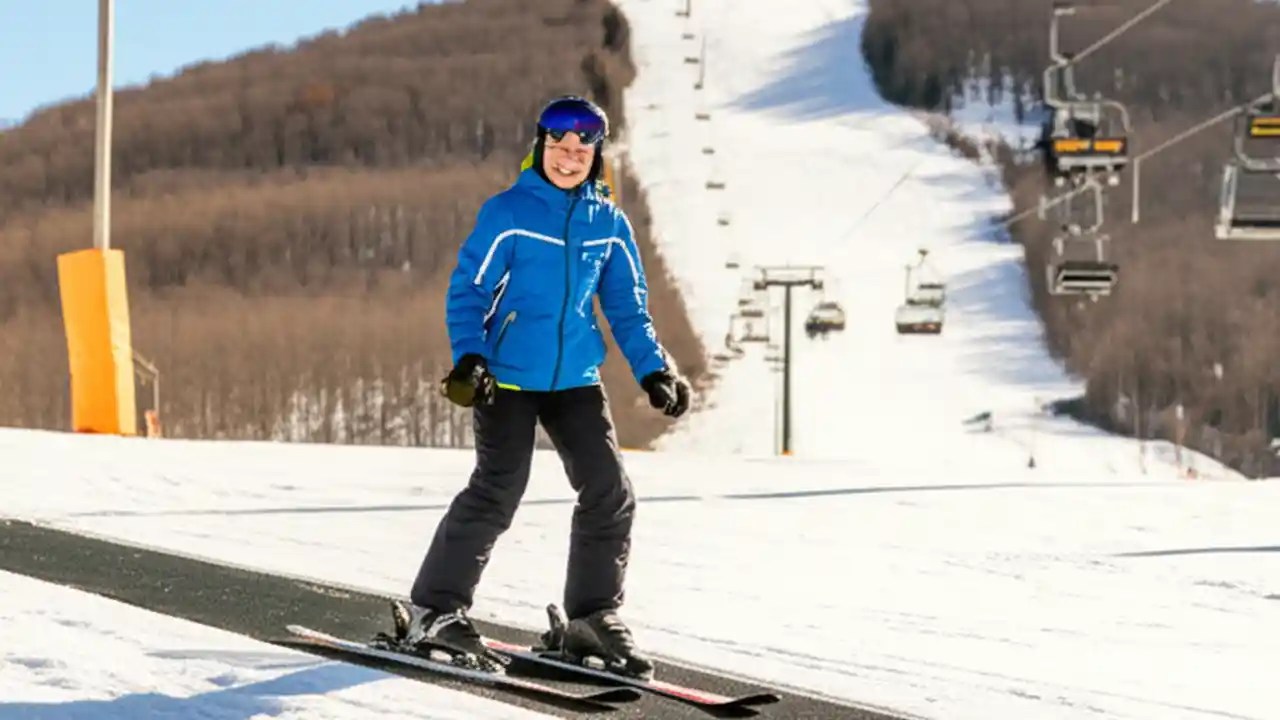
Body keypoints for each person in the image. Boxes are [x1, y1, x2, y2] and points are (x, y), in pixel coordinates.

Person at [404, 95, 692, 680]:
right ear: (540, 148)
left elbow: (627, 308)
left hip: (575, 380)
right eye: (558, 147)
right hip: (505, 378)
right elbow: (468, 293)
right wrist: (471, 359)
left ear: (595, 155)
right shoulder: (508, 212)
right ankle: (434, 611)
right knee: (497, 491)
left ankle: (592, 618)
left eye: (580, 149)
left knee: (609, 491)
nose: (568, 158)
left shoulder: (608, 224)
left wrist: (654, 368)